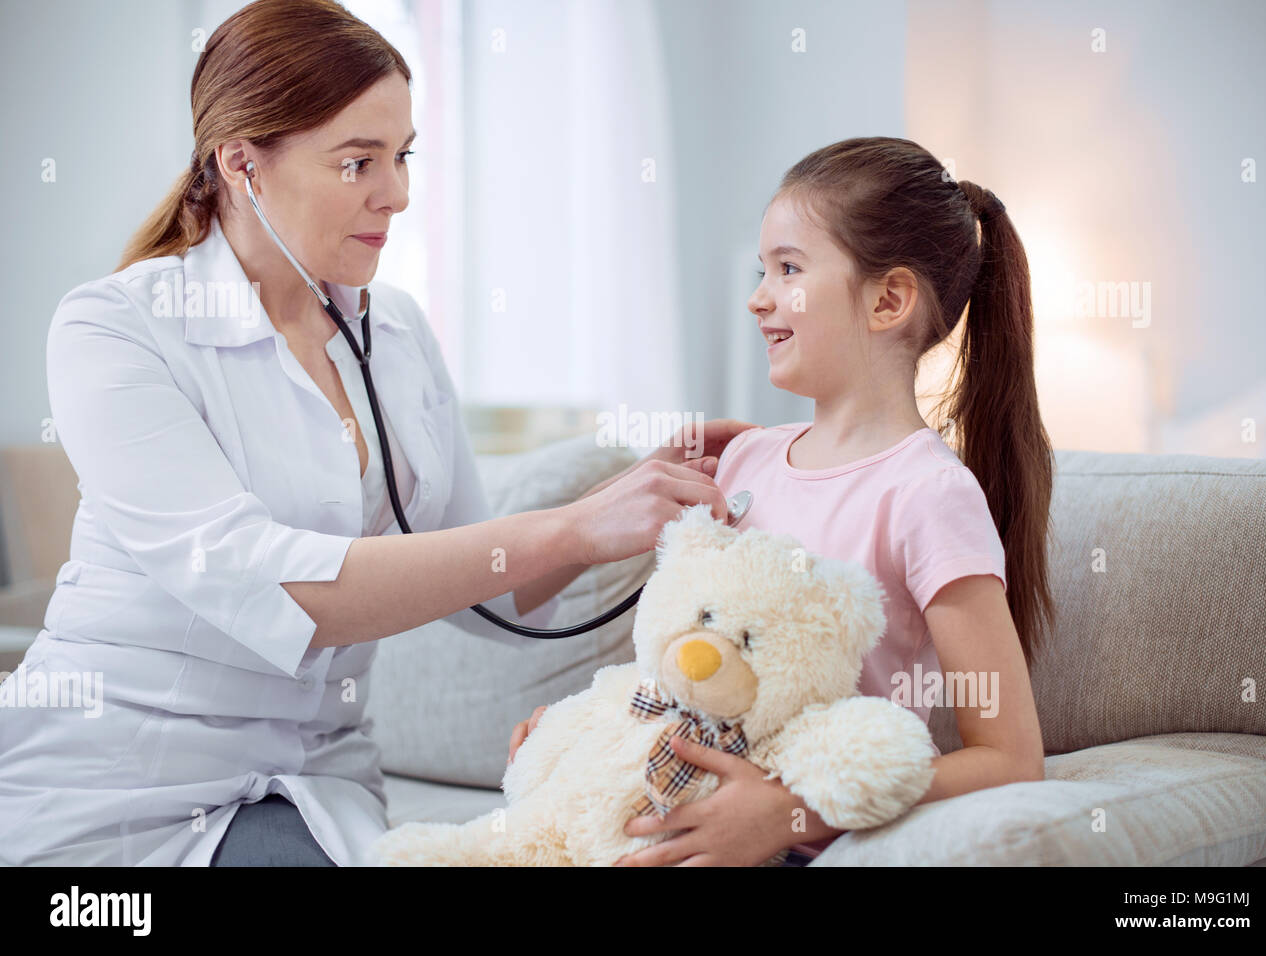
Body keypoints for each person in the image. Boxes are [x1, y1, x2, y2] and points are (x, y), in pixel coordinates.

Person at [0, 0, 753, 867]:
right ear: (242, 164)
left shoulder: (392, 331)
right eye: (358, 161)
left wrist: (619, 502)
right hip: (124, 785)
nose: (395, 193)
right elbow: (270, 585)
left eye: (401, 157)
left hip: (315, 782)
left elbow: (493, 593)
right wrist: (573, 524)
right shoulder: (114, 328)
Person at [511, 137, 1054, 867]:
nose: (757, 296)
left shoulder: (929, 496)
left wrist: (793, 812)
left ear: (888, 299)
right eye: (761, 269)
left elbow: (1010, 756)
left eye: (789, 268)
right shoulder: (746, 460)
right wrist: (583, 739)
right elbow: (679, 653)